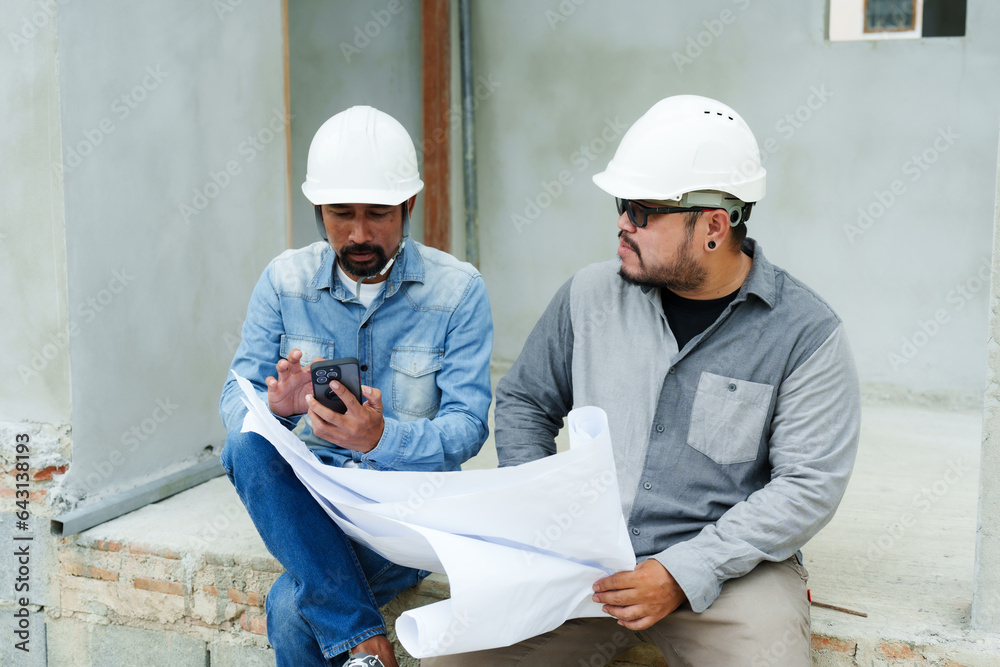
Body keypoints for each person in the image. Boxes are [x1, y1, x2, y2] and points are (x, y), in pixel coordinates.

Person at [424, 95, 860, 666]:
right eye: (620, 205)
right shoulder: (587, 296)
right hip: (583, 566)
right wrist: (544, 512)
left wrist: (682, 571)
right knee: (454, 658)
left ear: (713, 225)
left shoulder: (806, 333)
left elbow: (808, 485)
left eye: (642, 210)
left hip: (728, 574)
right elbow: (526, 400)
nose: (623, 224)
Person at [219, 105, 493, 667]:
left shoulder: (458, 291)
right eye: (341, 215)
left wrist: (380, 439)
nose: (360, 234)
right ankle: (367, 643)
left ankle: (361, 641)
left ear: (409, 206)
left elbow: (468, 427)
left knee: (292, 608)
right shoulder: (283, 281)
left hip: (406, 511)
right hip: (315, 502)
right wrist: (275, 408)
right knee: (245, 443)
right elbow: (234, 398)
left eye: (379, 215)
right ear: (318, 210)